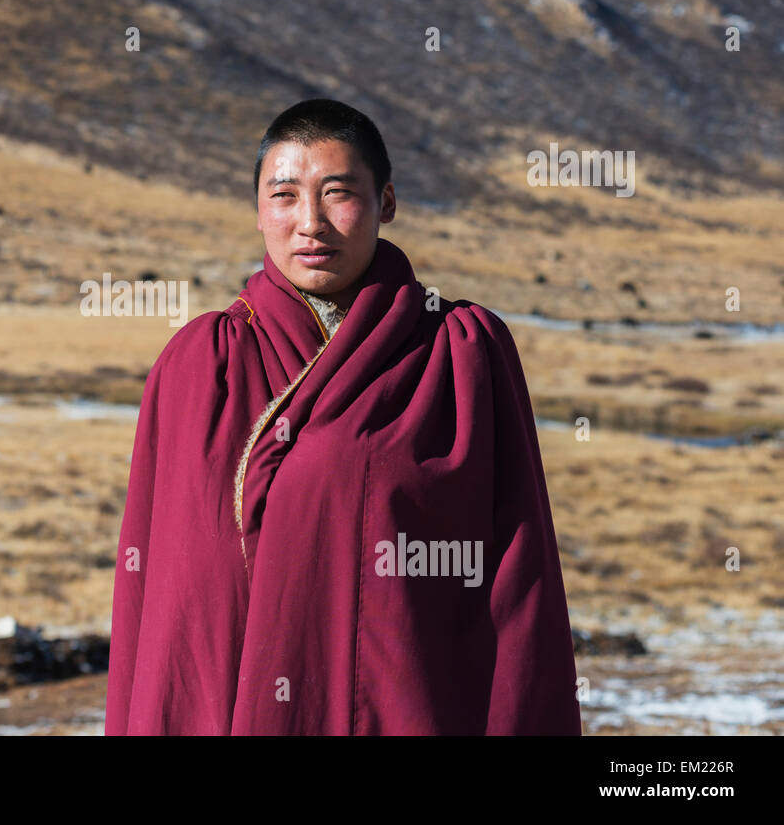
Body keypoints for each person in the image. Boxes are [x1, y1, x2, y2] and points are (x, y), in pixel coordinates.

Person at [105, 98, 581, 735]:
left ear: (386, 203)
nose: (310, 223)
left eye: (337, 194)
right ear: (257, 210)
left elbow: (520, 578)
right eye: (284, 195)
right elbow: (161, 603)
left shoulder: (459, 354)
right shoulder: (201, 364)